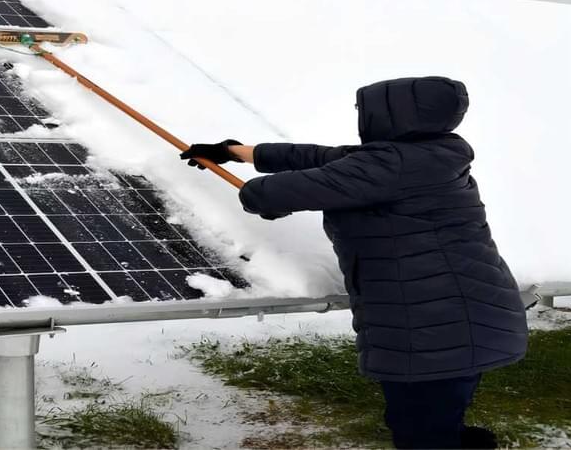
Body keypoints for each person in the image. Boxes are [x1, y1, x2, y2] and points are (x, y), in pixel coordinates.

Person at [182, 76, 527, 449]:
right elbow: (321, 158)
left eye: (365, 109)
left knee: (417, 422)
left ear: (393, 113)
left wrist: (262, 196)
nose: (362, 116)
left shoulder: (387, 166)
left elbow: (269, 194)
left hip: (431, 319)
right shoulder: (433, 153)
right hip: (466, 308)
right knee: (438, 400)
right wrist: (237, 152)